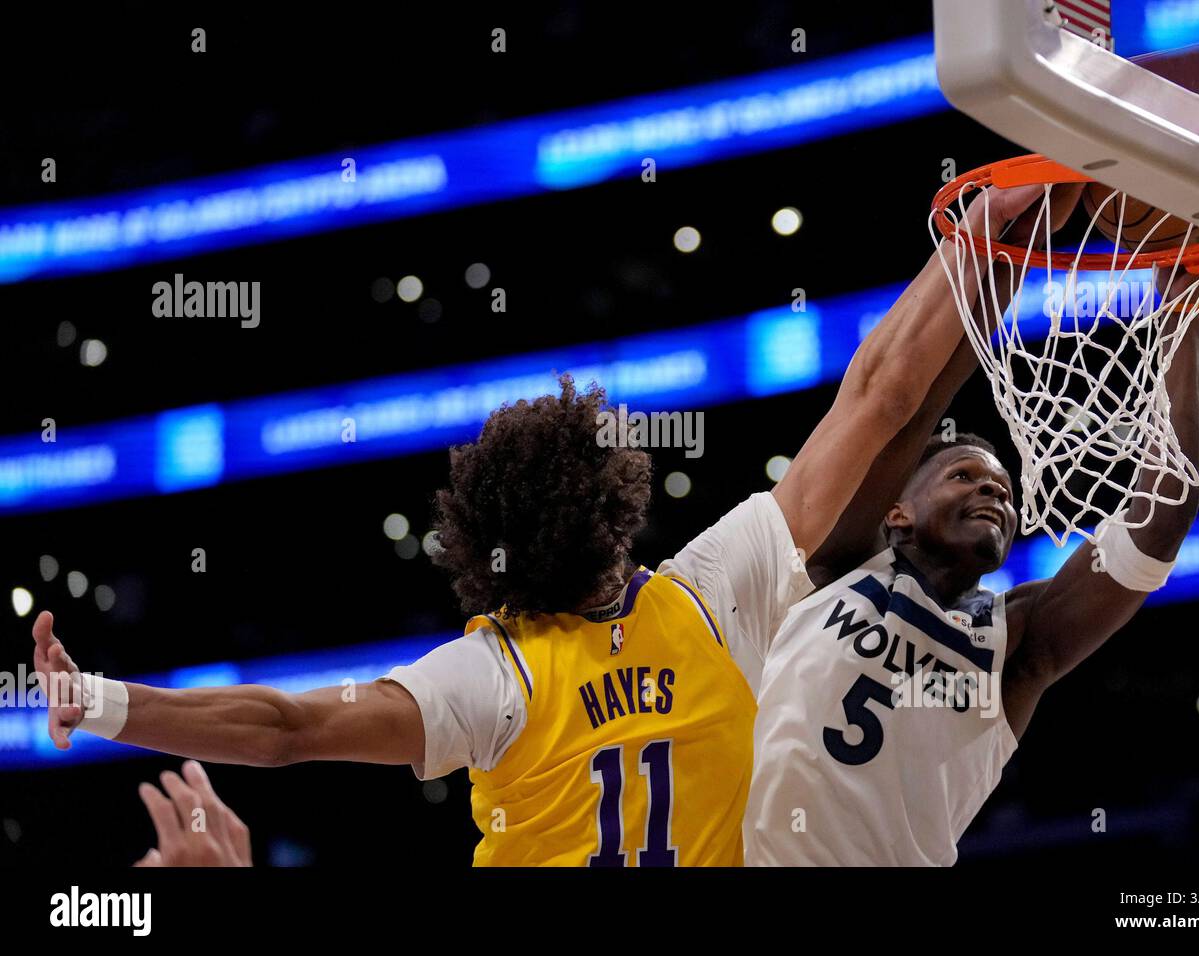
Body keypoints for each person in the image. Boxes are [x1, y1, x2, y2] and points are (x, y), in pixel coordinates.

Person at [30, 182, 1047, 866]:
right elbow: (876, 395)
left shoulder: (494, 674)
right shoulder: (706, 589)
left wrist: (106, 697)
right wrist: (989, 236)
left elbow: (290, 727)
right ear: (616, 496)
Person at [744, 266, 1199, 866]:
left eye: (1006, 491)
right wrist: (987, 271)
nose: (994, 493)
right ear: (898, 513)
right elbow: (901, 408)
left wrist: (1183, 317)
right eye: (964, 476)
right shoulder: (833, 566)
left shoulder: (1015, 640)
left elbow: (1165, 510)